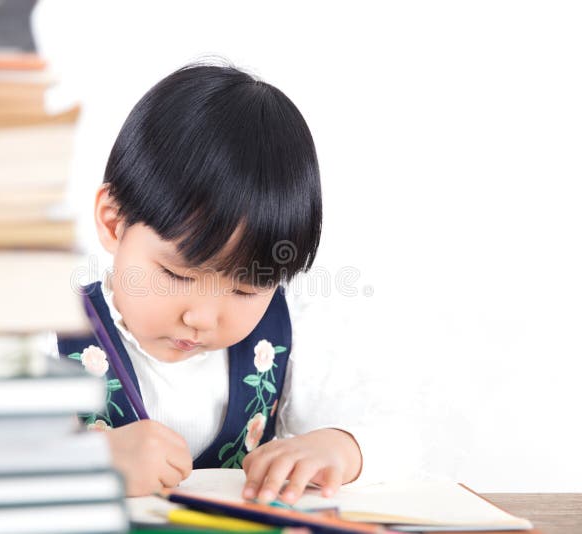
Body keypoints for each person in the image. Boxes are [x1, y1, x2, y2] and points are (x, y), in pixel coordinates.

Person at [58, 60, 363, 503]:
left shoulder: (290, 334)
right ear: (113, 222)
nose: (199, 317)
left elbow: (400, 422)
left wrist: (341, 446)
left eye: (245, 289)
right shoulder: (46, 336)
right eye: (176, 274)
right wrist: (82, 461)